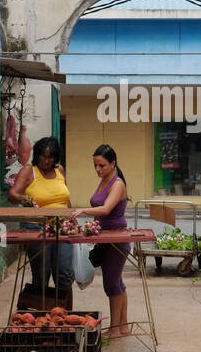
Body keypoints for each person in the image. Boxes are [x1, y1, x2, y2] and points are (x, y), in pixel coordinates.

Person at [8, 136, 74, 304]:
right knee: (41, 274)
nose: (46, 160)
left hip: (63, 228)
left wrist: (73, 220)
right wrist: (25, 199)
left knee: (65, 274)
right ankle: (40, 317)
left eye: (50, 157)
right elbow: (13, 194)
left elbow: (65, 198)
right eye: (43, 156)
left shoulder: (60, 170)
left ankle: (66, 315)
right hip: (37, 228)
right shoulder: (29, 171)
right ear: (37, 155)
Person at [75, 144, 129, 339]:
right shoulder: (104, 181)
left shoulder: (117, 184)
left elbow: (106, 209)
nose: (97, 169)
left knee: (112, 283)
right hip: (103, 237)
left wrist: (82, 210)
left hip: (117, 239)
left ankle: (115, 329)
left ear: (113, 164)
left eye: (102, 165)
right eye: (95, 165)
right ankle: (123, 327)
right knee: (117, 283)